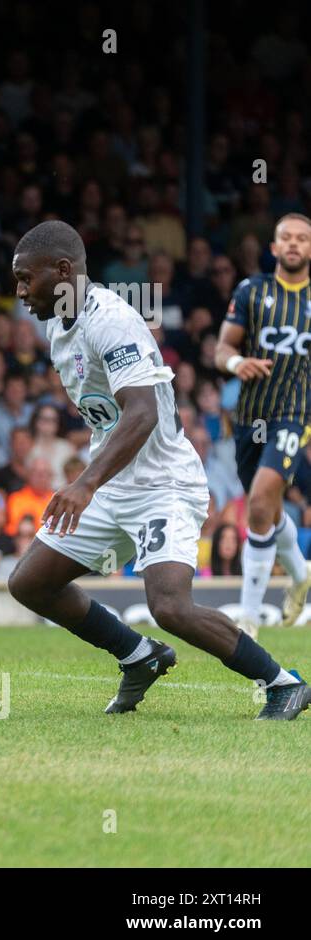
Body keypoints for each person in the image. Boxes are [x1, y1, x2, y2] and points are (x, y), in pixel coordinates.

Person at [6, 220, 309, 720]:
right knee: (30, 583)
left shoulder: (112, 321)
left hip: (162, 483)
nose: (18, 291)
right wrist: (93, 481)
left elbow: (142, 413)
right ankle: (138, 655)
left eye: (25, 278)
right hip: (111, 481)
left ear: (62, 271)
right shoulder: (56, 322)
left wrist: (84, 483)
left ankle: (282, 683)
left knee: (170, 606)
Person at [214, 213, 311, 637]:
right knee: (265, 510)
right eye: (285, 238)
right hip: (250, 417)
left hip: (296, 414)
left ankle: (248, 620)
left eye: (301, 239)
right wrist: (238, 363)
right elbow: (222, 348)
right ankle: (302, 575)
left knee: (258, 504)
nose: (293, 244)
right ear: (273, 248)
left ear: (310, 249)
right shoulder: (252, 291)